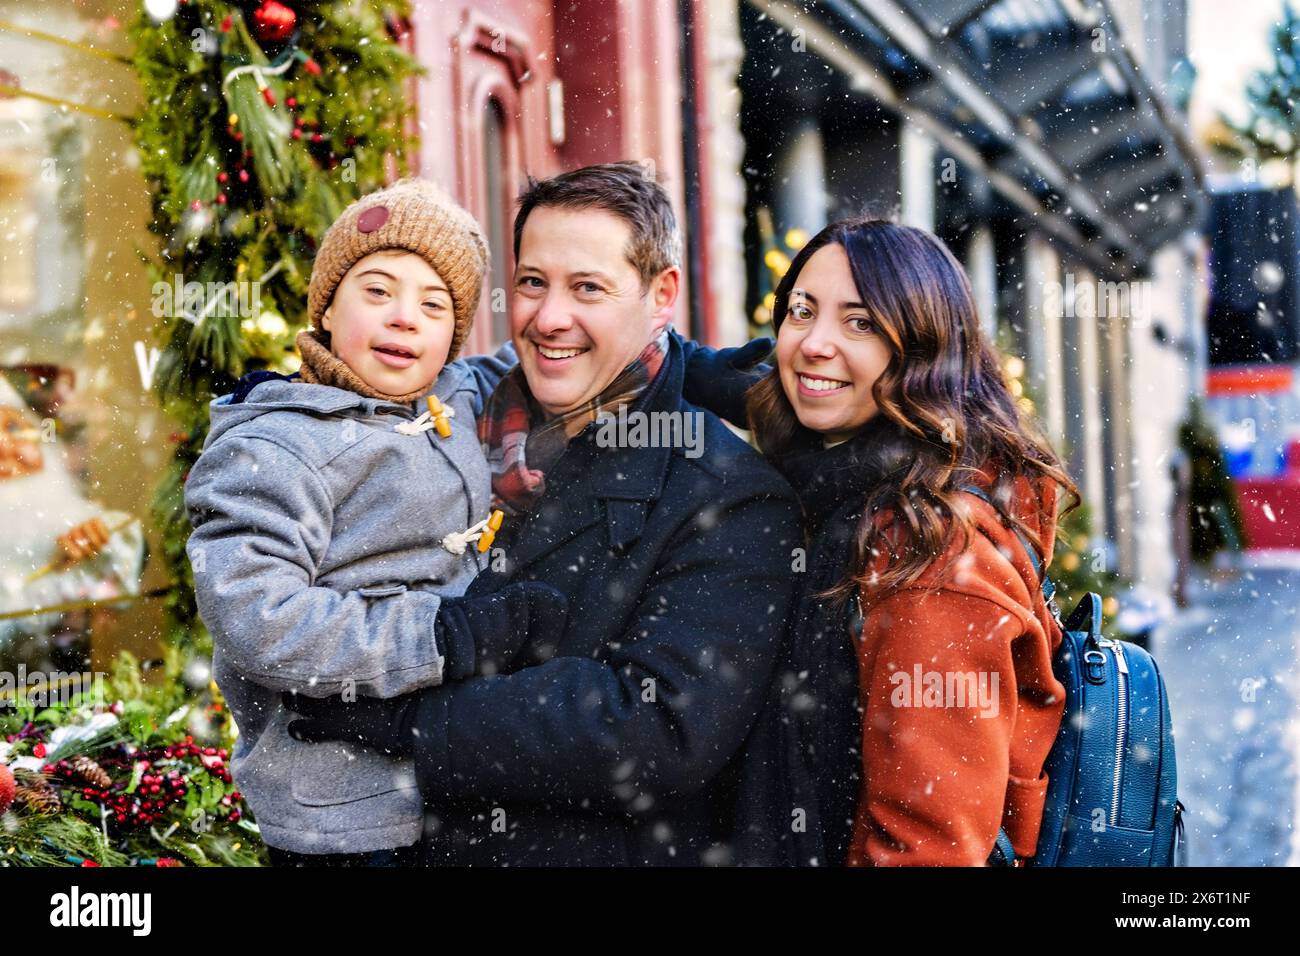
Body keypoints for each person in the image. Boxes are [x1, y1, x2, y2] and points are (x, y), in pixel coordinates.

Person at [284, 161, 803, 866]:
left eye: (587, 288)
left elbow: (653, 728)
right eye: (533, 283)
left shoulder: (730, 493)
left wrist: (407, 718)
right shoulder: (448, 424)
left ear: (661, 296)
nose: (549, 318)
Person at [184, 179, 568, 866]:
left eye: (434, 304)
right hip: (343, 816)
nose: (404, 319)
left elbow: (573, 349)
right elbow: (256, 617)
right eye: (378, 291)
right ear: (327, 307)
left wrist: (716, 370)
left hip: (458, 779)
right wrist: (438, 636)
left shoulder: (458, 391)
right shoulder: (274, 447)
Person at [702, 217, 1078, 866]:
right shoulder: (839, 480)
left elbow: (926, 847)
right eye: (801, 312)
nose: (815, 344)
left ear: (922, 352)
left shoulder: (927, 548)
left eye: (860, 323)